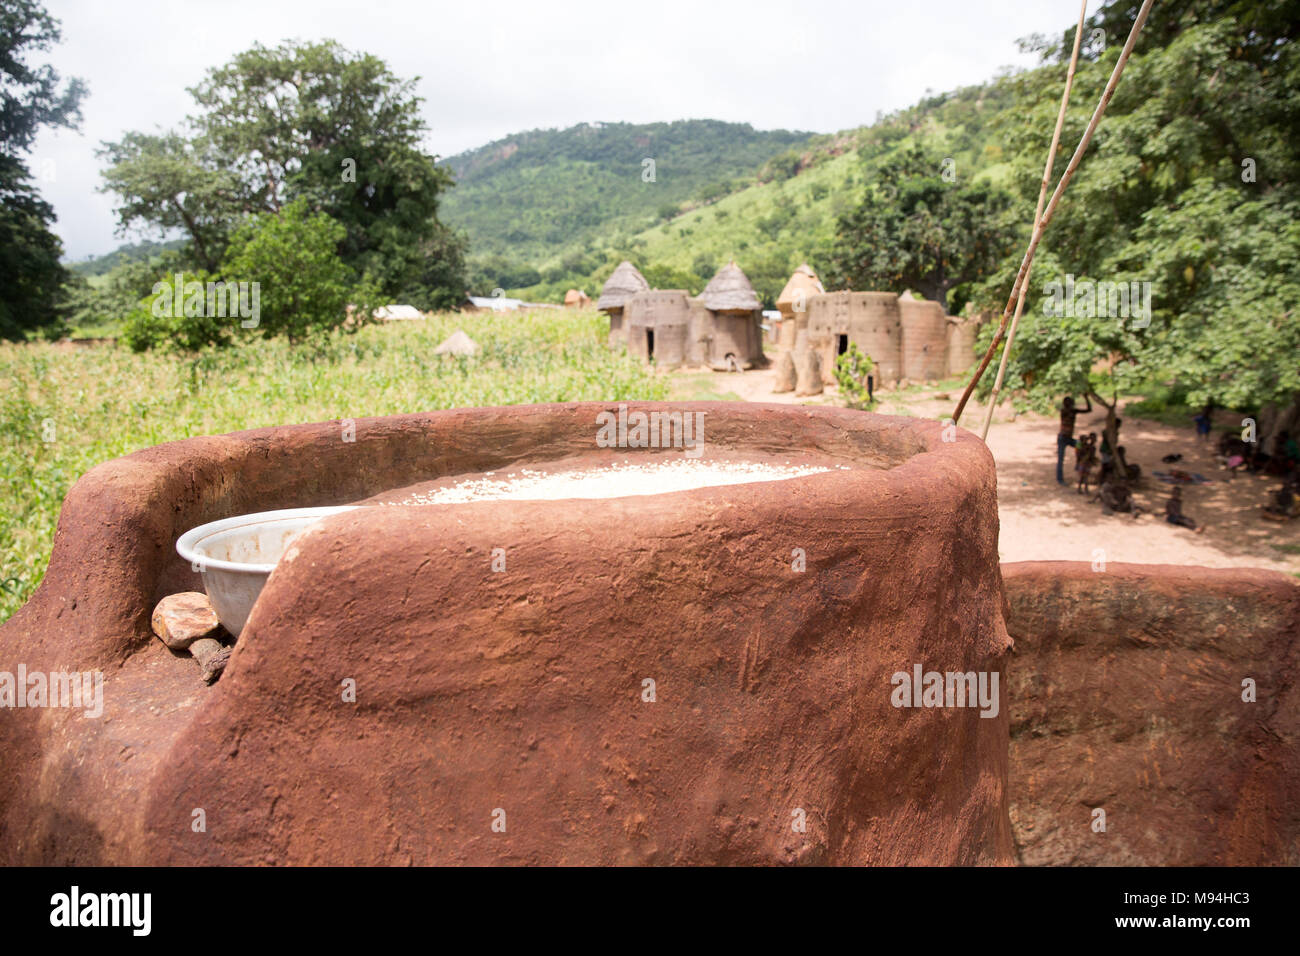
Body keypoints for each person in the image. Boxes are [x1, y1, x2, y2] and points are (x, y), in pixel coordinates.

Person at [1057, 395, 1091, 485]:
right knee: (1060, 459)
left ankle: (1078, 464)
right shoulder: (1065, 411)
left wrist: (1086, 398)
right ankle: (1060, 479)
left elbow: (1089, 410)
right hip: (1062, 438)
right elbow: (1085, 410)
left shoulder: (1073, 411)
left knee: (1081, 447)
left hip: (1068, 438)